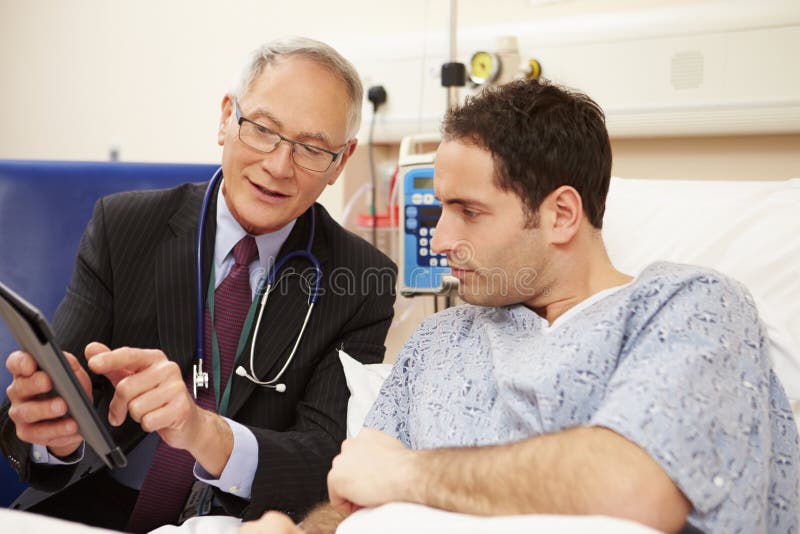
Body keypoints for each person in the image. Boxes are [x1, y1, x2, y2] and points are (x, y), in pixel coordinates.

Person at [245, 79, 800, 533]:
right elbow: (355, 493)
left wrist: (410, 473)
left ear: (561, 214)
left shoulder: (687, 307)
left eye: (469, 211)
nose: (439, 241)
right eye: (442, 208)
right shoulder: (442, 339)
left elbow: (635, 491)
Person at [0, 36, 396, 532]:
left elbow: (326, 461)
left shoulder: (362, 280)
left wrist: (206, 433)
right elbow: (60, 398)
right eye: (262, 130)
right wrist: (54, 435)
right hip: (94, 510)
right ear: (226, 117)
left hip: (239, 523)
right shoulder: (124, 227)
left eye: (312, 150)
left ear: (341, 161)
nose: (277, 166)